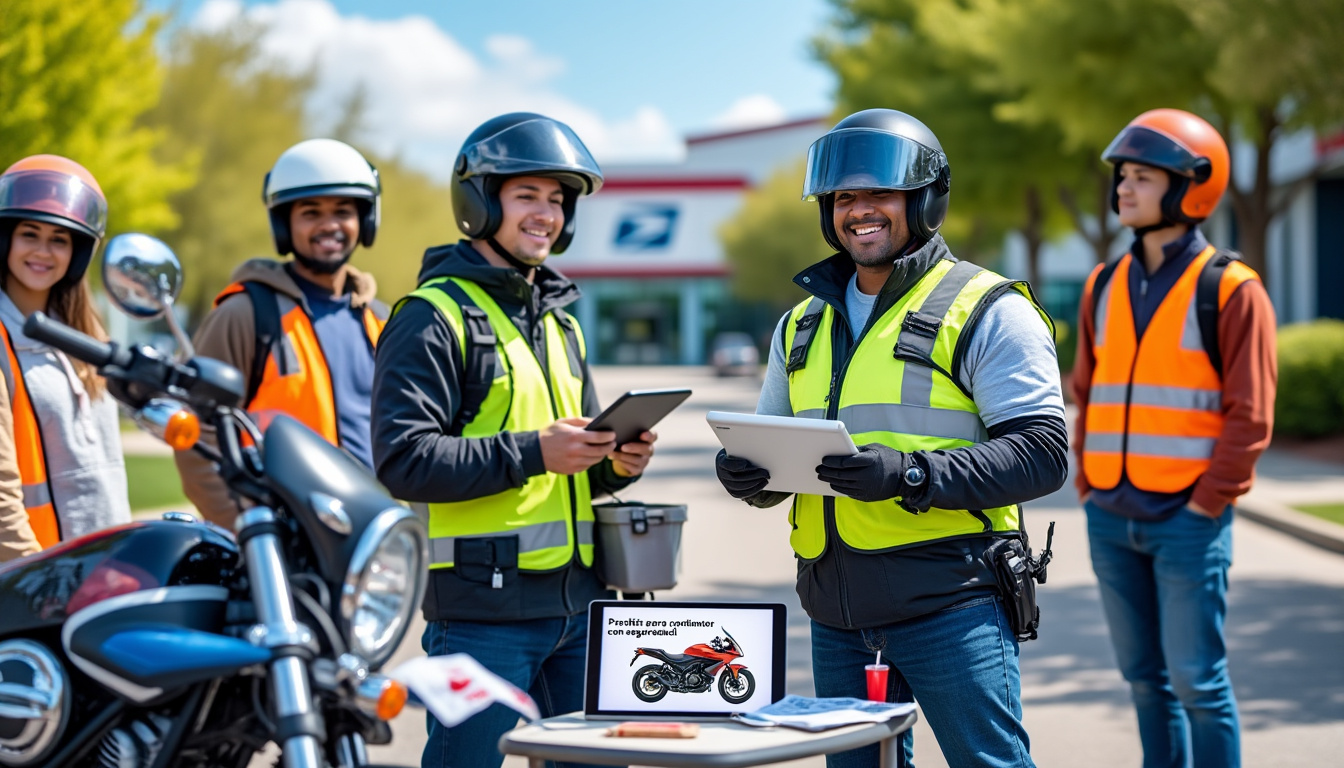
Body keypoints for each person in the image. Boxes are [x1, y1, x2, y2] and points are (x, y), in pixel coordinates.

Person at [715, 109, 1067, 768]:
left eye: (879, 194)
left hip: (952, 605)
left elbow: (1043, 454)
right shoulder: (799, 325)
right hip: (836, 615)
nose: (859, 211)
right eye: (844, 197)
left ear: (924, 199)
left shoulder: (989, 309)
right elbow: (776, 443)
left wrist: (911, 474)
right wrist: (750, 476)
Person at [370, 112, 656, 768]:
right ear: (479, 203)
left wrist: (617, 463)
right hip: (481, 620)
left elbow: (575, 464)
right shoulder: (430, 317)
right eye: (527, 196)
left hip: (580, 608)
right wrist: (533, 451)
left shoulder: (563, 325)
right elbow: (403, 460)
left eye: (557, 201)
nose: (547, 215)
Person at [1073, 108, 1276, 768]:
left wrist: (1208, 502)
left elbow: (1252, 417)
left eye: (1141, 177)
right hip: (1109, 513)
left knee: (1198, 684)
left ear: (1191, 187)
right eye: (1122, 177)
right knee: (1143, 683)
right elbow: (1085, 389)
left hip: (1188, 519)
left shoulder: (1232, 289)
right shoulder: (1101, 285)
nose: (1123, 190)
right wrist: (1086, 483)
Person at [174, 138, 387, 527]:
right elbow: (196, 437)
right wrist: (249, 530)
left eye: (343, 211)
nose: (329, 225)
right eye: (310, 212)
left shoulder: (381, 321)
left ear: (366, 220)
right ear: (283, 224)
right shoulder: (244, 314)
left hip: (371, 546)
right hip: (282, 545)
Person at [0, 154, 130, 560]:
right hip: (39, 583)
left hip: (106, 569)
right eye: (29, 233)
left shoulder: (87, 335)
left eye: (59, 239)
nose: (43, 251)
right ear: (5, 237)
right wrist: (33, 585)